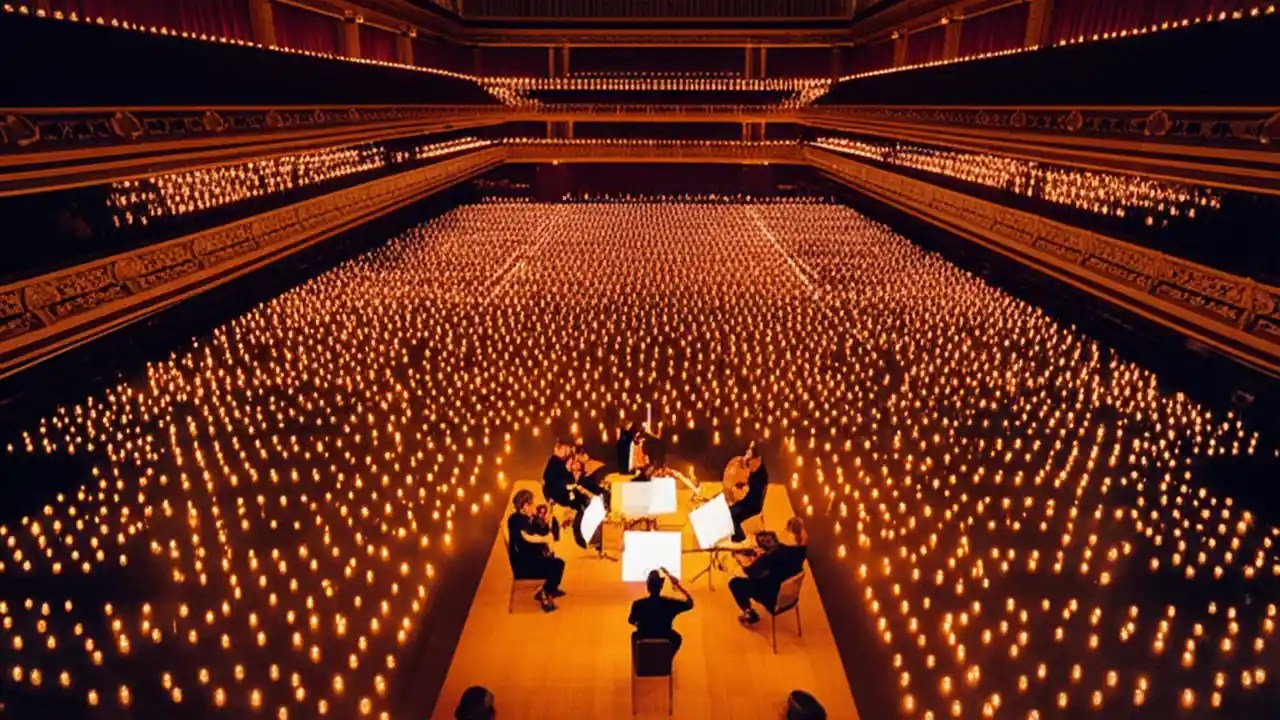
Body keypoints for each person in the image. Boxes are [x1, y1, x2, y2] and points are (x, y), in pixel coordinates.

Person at [729, 517, 807, 626]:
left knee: (735, 583)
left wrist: (744, 560)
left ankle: (749, 613)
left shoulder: (773, 555)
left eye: (765, 537)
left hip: (772, 597)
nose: (765, 540)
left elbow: (751, 573)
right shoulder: (798, 551)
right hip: (790, 594)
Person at [508, 489, 565, 612]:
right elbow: (527, 537)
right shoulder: (516, 520)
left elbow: (542, 531)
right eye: (532, 504)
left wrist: (549, 519)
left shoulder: (530, 519)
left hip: (533, 558)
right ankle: (545, 593)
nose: (534, 506)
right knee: (557, 565)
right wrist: (544, 538)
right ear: (525, 505)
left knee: (557, 563)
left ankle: (551, 589)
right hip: (524, 564)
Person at [628, 568, 694, 657]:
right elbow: (689, 603)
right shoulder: (669, 603)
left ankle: (638, 662)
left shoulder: (638, 604)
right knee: (676, 638)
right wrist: (677, 585)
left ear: (648, 586)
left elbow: (631, 620)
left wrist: (642, 624)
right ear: (661, 587)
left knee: (634, 635)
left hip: (644, 635)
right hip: (665, 635)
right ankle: (666, 659)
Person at [725, 441, 769, 542]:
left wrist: (738, 498)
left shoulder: (761, 474)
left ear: (758, 459)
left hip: (752, 506)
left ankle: (738, 537)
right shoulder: (755, 470)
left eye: (750, 460)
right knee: (729, 510)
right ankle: (732, 533)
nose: (748, 462)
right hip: (747, 501)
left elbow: (753, 496)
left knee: (733, 514)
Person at [543, 439, 590, 513]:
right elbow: (547, 483)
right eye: (566, 449)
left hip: (571, 503)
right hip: (561, 503)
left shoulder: (574, 473)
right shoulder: (556, 463)